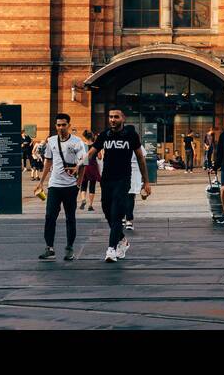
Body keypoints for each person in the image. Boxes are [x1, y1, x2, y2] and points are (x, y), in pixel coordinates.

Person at [90, 108, 152, 262]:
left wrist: (146, 181)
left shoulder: (131, 135)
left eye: (116, 117)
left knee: (117, 214)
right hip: (107, 180)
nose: (112, 119)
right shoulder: (105, 135)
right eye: (110, 117)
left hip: (123, 180)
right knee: (107, 212)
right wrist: (79, 165)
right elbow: (91, 153)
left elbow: (140, 158)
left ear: (123, 118)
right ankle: (123, 239)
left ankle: (111, 249)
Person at [36, 113, 87, 261]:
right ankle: (49, 248)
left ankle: (69, 248)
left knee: (70, 218)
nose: (61, 127)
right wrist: (41, 181)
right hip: (54, 185)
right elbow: (48, 162)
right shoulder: (51, 141)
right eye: (58, 125)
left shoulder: (78, 142)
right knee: (50, 217)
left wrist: (78, 184)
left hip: (71, 186)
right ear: (55, 126)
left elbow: (83, 164)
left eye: (64, 124)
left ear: (69, 125)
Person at [78, 130, 100, 211]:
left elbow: (79, 156)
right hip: (92, 165)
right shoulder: (95, 145)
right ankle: (90, 205)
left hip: (84, 165)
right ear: (92, 136)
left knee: (83, 185)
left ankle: (83, 199)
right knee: (92, 186)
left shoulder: (82, 145)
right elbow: (100, 157)